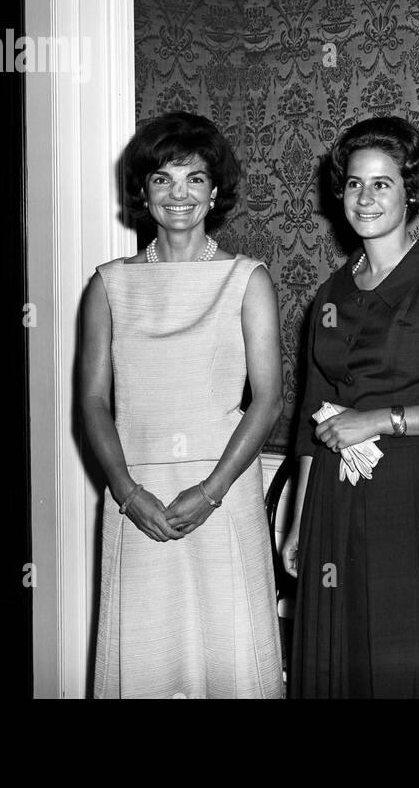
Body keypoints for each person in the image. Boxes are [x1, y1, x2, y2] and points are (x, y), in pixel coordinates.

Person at [283, 116, 419, 698]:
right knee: (340, 657)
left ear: (410, 191)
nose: (365, 197)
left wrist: (378, 419)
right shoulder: (330, 295)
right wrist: (300, 518)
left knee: (403, 662)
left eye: (382, 183)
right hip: (333, 499)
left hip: (409, 503)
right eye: (354, 183)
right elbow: (312, 413)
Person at [80, 111, 284, 698]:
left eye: (194, 178)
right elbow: (93, 401)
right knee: (145, 658)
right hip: (136, 496)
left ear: (214, 191)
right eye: (163, 179)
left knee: (231, 657)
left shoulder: (247, 279)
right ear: (143, 191)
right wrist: (126, 491)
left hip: (220, 492)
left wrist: (212, 490)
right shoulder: (109, 284)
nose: (179, 194)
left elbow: (268, 400)